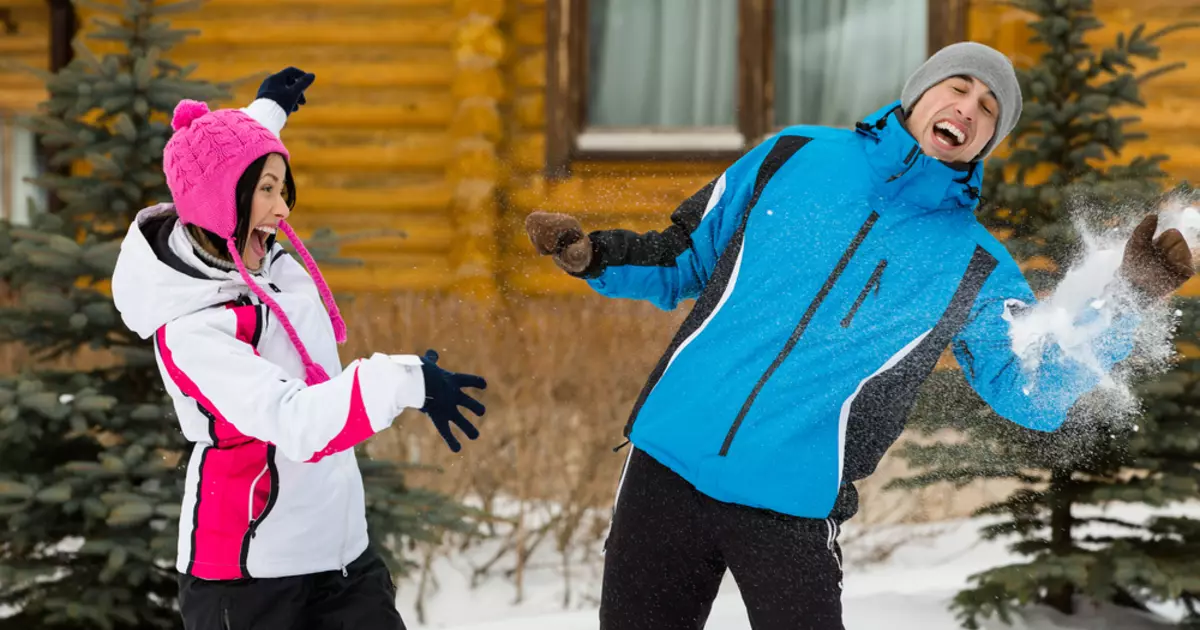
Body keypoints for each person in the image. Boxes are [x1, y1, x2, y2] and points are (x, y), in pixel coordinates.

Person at [524, 42, 1194, 630]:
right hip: (665, 469)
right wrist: (595, 255)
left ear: (989, 140)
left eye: (989, 108)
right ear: (919, 94)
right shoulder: (793, 155)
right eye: (958, 87)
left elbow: (1030, 390)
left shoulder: (976, 264)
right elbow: (683, 257)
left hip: (790, 506)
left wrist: (1124, 300)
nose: (969, 106)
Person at [111, 68, 487, 629]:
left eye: (283, 188)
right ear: (220, 205)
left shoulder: (257, 254)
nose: (283, 208)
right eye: (267, 191)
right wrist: (405, 380)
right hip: (248, 578)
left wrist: (268, 110)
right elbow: (294, 421)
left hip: (339, 556)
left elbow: (227, 160)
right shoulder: (193, 330)